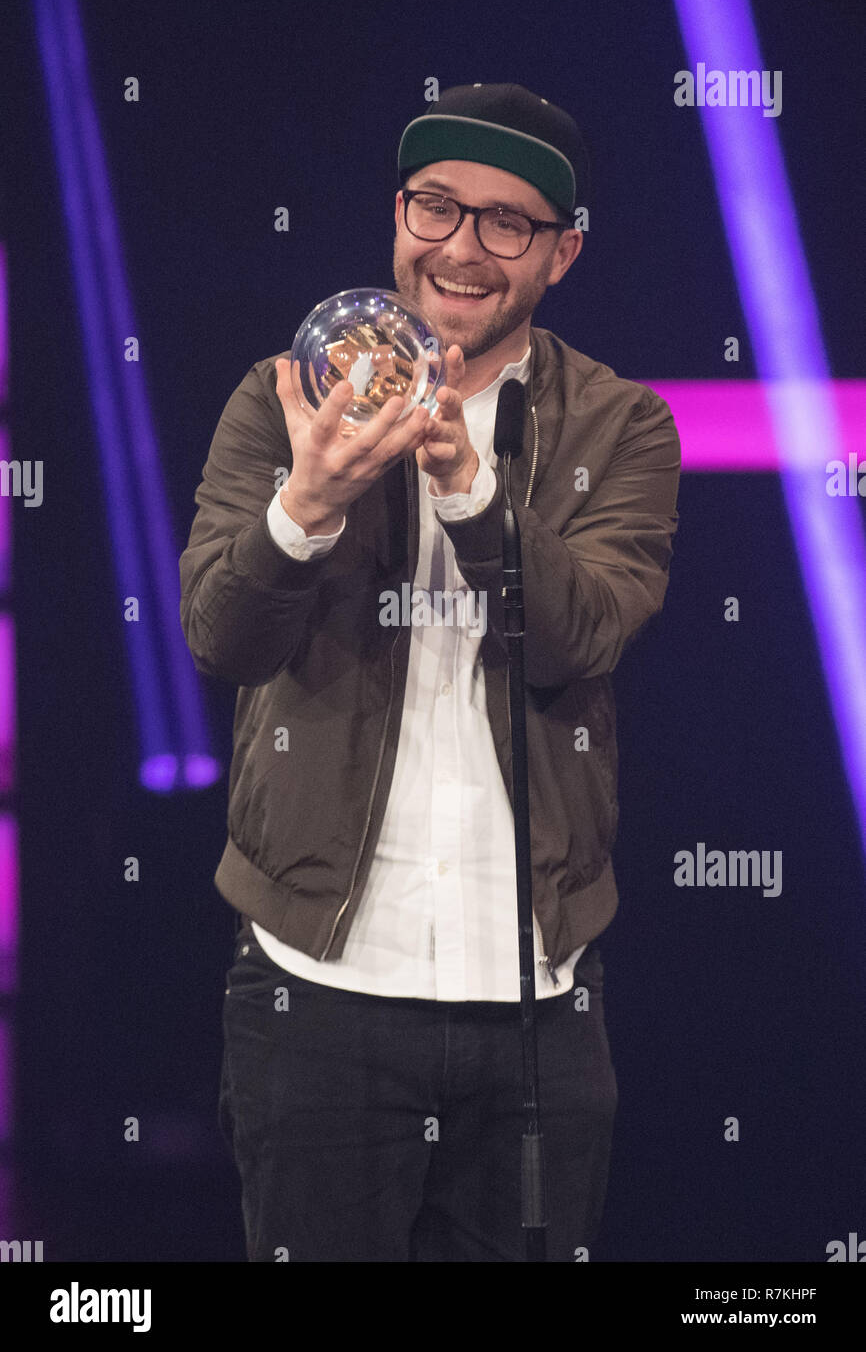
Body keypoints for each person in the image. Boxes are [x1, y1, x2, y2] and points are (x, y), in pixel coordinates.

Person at [179, 82, 681, 1262]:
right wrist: (304, 504)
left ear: (561, 251)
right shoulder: (282, 398)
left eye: (505, 223)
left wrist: (469, 491)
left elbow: (581, 637)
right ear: (395, 215)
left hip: (532, 1004)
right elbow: (219, 634)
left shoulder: (622, 427)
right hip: (318, 986)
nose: (459, 248)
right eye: (434, 206)